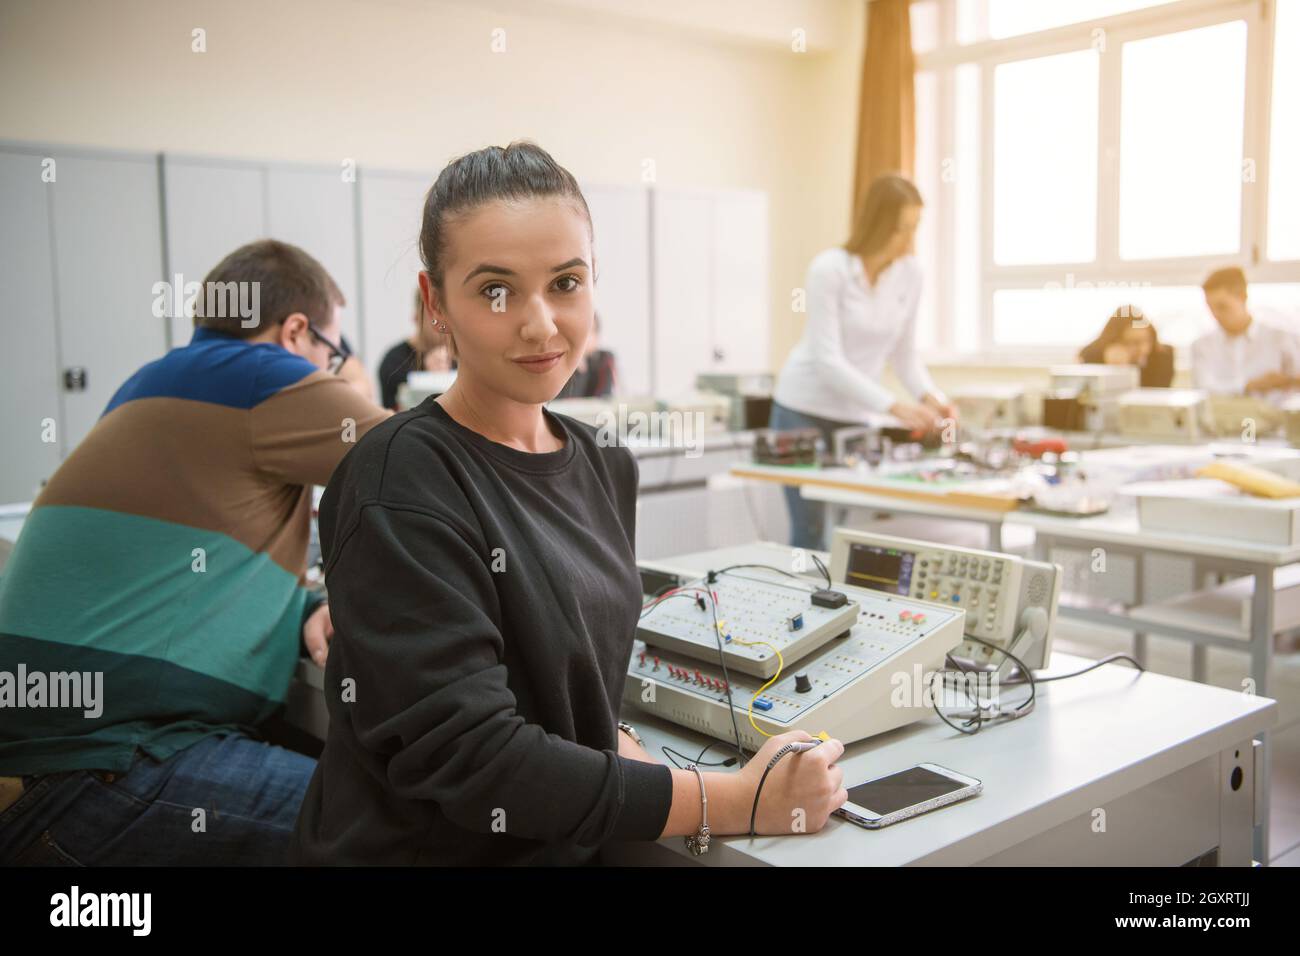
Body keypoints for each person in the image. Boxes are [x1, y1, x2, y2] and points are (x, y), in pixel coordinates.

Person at [290, 142, 846, 865]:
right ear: (436, 304)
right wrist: (738, 800)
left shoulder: (601, 463)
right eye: (496, 290)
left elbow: (577, 692)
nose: (541, 324)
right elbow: (477, 762)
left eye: (565, 282)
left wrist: (645, 765)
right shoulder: (399, 478)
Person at [0, 239, 390, 865]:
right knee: (402, 828)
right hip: (101, 769)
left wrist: (306, 604)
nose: (332, 369)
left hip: (52, 766)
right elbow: (429, 464)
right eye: (332, 350)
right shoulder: (262, 375)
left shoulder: (150, 382)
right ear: (296, 331)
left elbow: (175, 578)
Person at [770, 173, 955, 550]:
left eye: (915, 227)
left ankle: (845, 606)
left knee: (849, 532)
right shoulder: (830, 269)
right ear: (878, 224)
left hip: (855, 416)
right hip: (801, 410)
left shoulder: (910, 273)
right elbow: (827, 360)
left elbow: (903, 353)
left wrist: (931, 396)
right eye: (902, 228)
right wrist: (895, 406)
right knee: (810, 531)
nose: (909, 239)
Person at [1192, 266, 1300, 396]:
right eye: (1210, 307)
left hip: (1274, 415)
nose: (1215, 314)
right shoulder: (1202, 345)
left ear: (1243, 297)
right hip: (1222, 416)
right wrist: (1251, 386)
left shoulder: (1280, 338)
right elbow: (1204, 390)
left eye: (1222, 306)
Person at [378, 287, 457, 410]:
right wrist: (430, 379)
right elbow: (395, 419)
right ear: (416, 317)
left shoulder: (464, 356)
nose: (445, 323)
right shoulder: (395, 361)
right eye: (437, 314)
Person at [1079, 306, 1174, 387]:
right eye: (1135, 343)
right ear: (1116, 342)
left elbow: (1155, 394)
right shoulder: (1095, 354)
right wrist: (1113, 368)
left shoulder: (1163, 355)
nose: (1144, 349)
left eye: (1148, 340)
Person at [555, 312, 616, 399]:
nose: (584, 336)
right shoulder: (559, 362)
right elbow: (560, 403)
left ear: (597, 337)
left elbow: (604, 398)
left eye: (590, 331)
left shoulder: (604, 359)